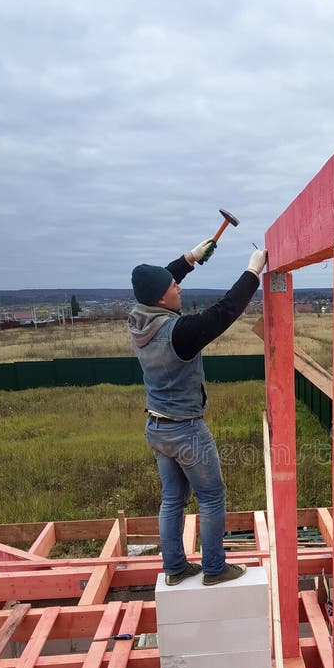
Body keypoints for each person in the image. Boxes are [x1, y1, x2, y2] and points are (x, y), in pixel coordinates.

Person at [128, 239, 268, 586]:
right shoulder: (181, 333)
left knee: (172, 499)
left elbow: (160, 282)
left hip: (157, 427)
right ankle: (215, 568)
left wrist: (190, 258)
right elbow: (223, 312)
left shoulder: (138, 319)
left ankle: (175, 569)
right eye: (173, 286)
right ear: (162, 299)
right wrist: (253, 271)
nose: (178, 286)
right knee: (211, 496)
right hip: (187, 430)